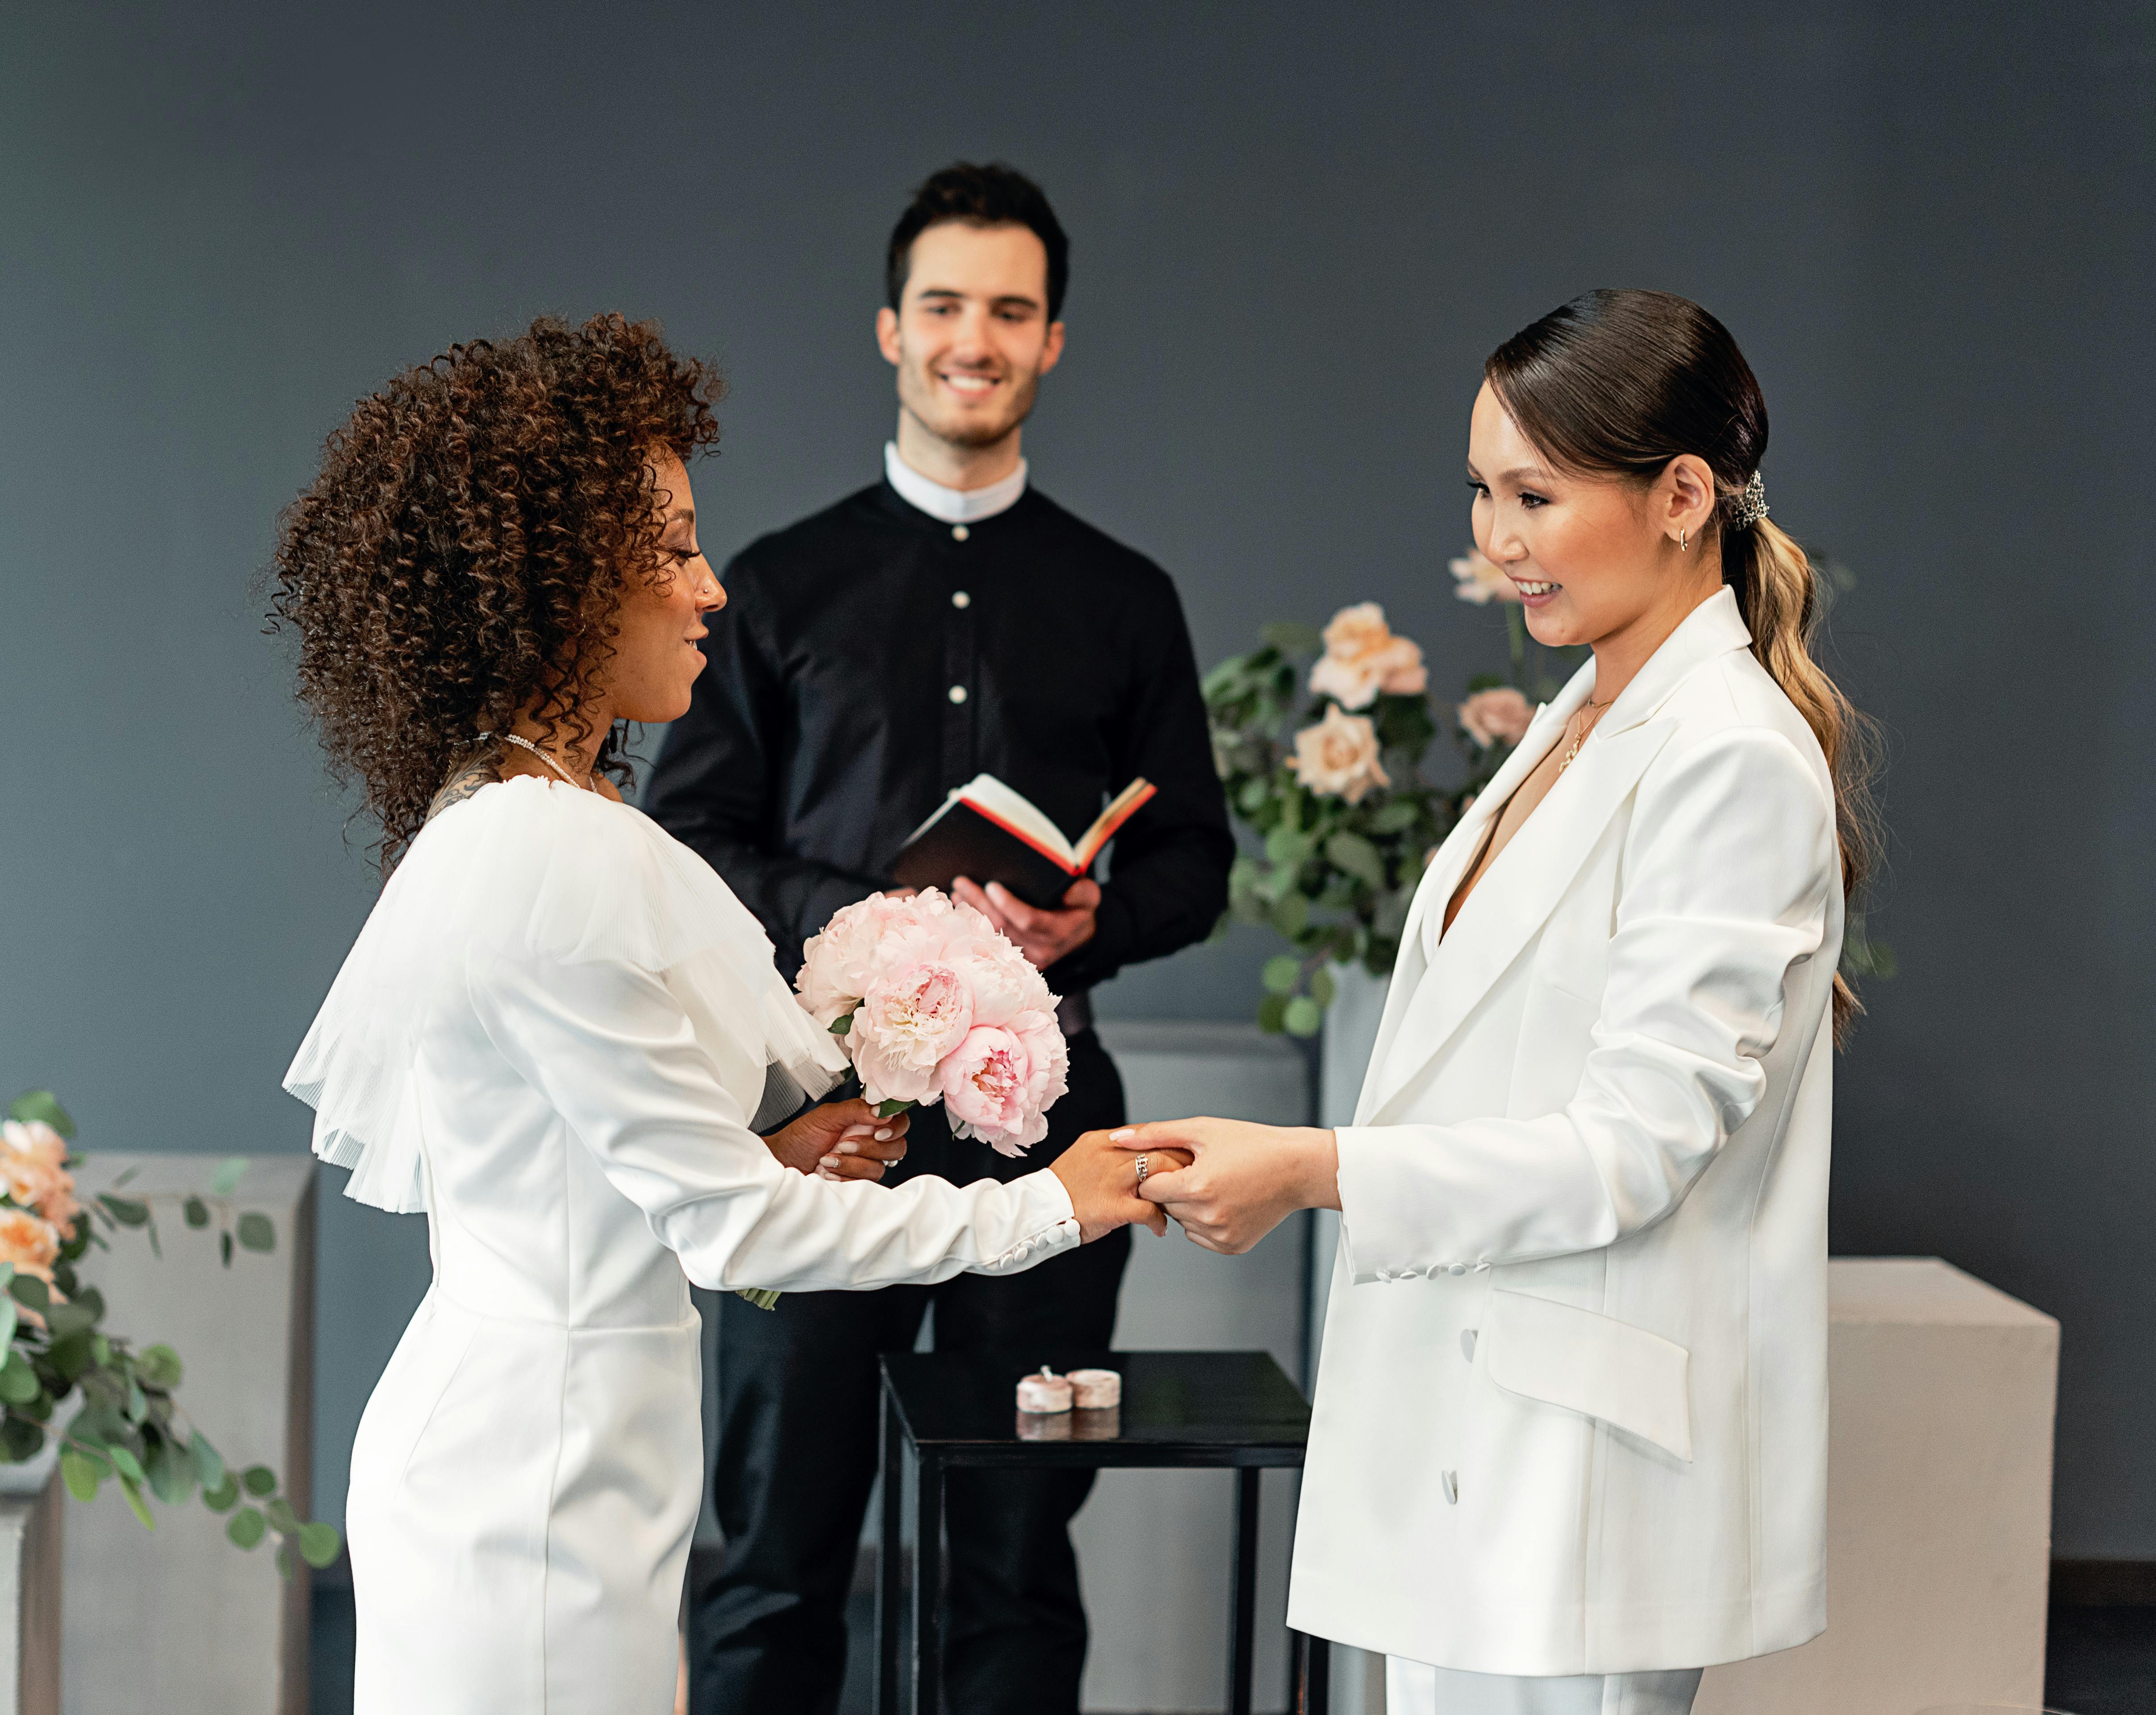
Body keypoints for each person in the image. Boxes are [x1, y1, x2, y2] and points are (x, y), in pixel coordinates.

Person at [269, 314, 1171, 1715]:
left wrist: (771, 1145)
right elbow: (729, 1232)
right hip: (532, 1487)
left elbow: (597, 1162)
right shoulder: (558, 853)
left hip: (559, 1451)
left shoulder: (520, 820)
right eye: (675, 550)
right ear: (564, 582)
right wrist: (1048, 1204)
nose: (710, 591)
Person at [1118, 289, 1872, 1715]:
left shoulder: (1727, 755)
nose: (1495, 538)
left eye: (1534, 493)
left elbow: (1636, 1145)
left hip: (1573, 1475)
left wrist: (1319, 1170)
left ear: (1683, 495)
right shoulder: (1578, 718)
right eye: (1481, 491)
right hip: (1478, 1445)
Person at [647, 163, 1233, 1715]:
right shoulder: (772, 586)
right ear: (893, 331)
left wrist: (1090, 918)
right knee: (774, 1547)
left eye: (1013, 311)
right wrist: (863, 924)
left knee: (1019, 1553)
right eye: (947, 305)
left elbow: (1199, 866)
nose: (977, 337)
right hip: (819, 1127)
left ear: (1053, 344)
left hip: (1050, 1137)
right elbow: (692, 839)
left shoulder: (1125, 596)